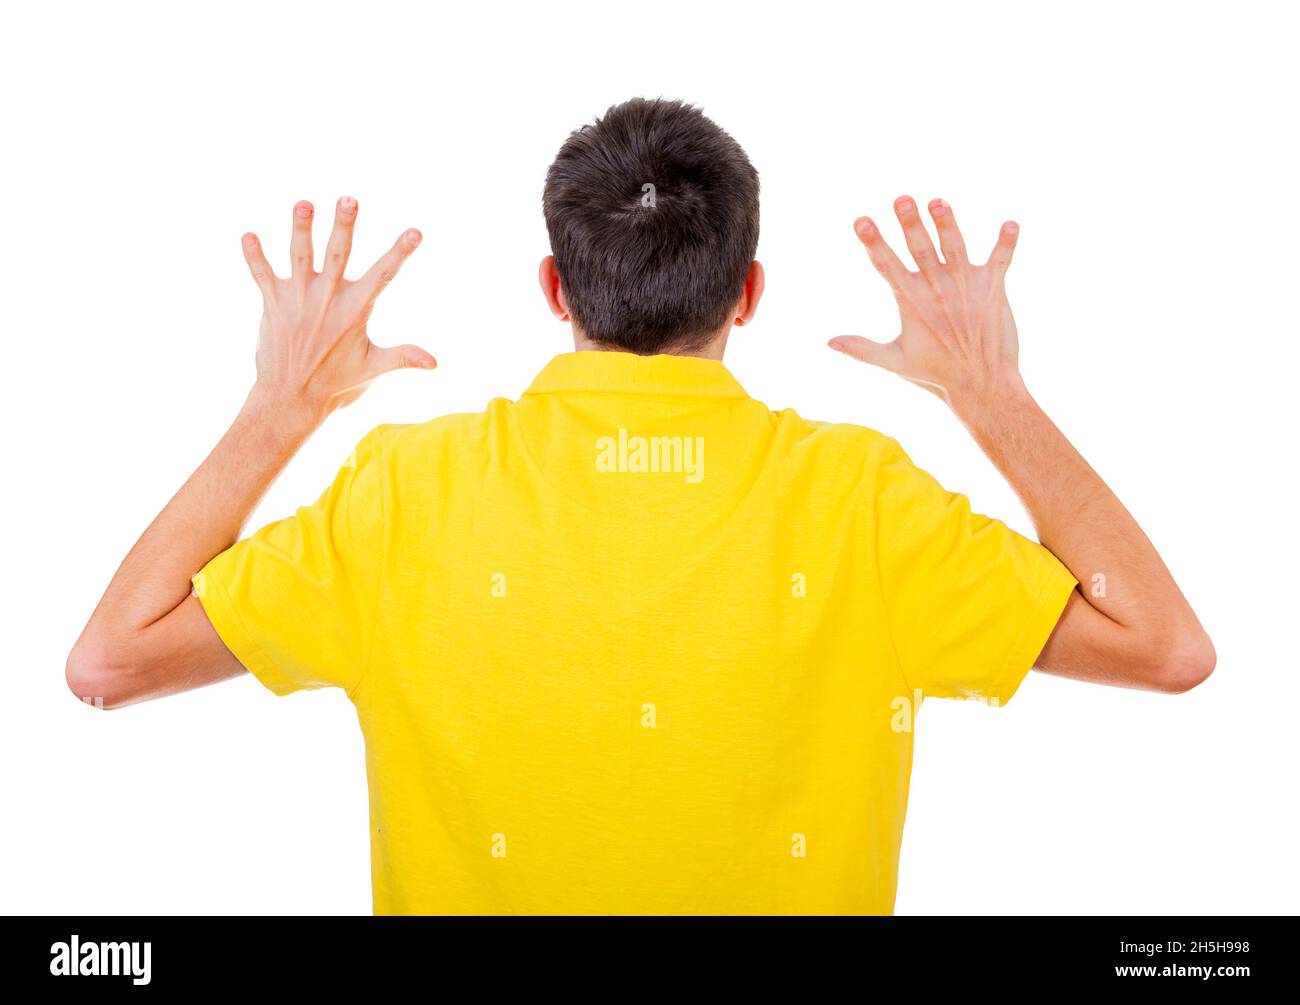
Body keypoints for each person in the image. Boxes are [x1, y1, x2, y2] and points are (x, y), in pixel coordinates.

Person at [67, 98, 1214, 914]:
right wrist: (990, 392)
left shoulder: (406, 496)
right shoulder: (860, 501)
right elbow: (1162, 647)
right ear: (749, 293)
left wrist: (280, 406)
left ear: (555, 288)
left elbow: (111, 663)